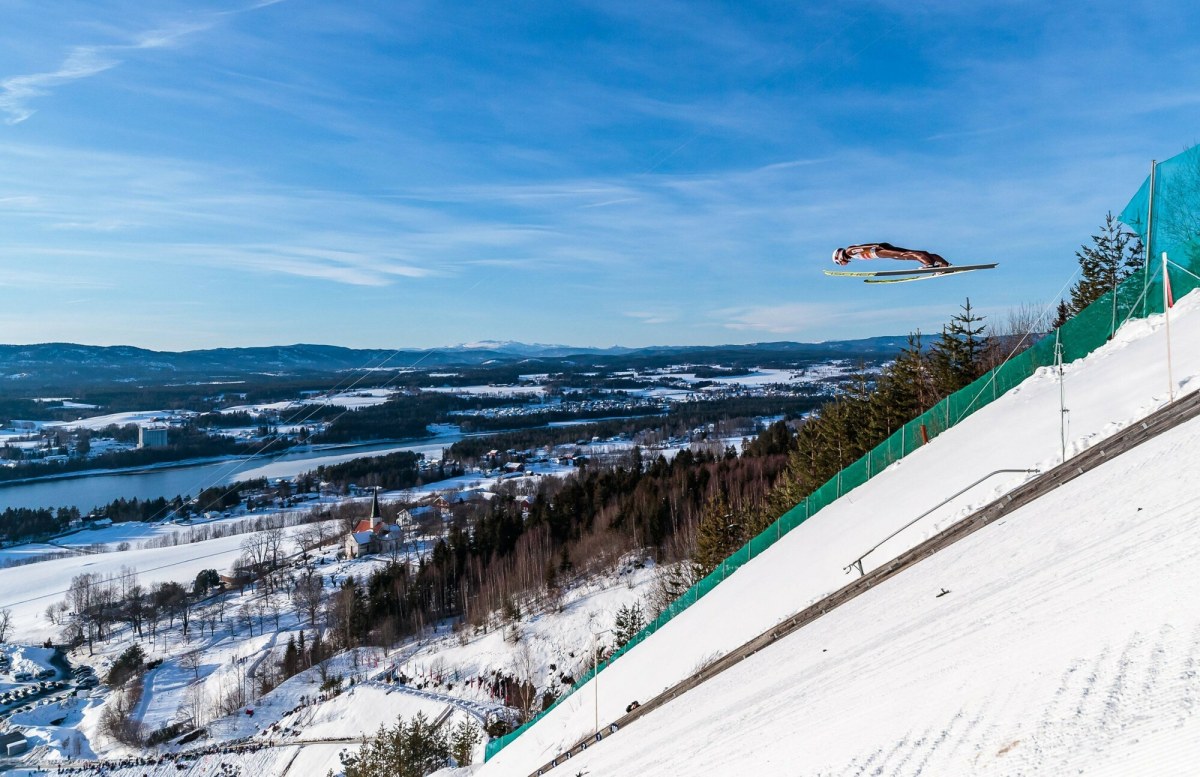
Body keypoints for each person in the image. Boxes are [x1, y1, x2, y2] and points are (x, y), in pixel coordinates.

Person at [832, 242, 951, 268]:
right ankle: (943, 265)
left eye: (839, 262)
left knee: (904, 254)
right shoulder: (851, 254)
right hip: (879, 251)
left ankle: (929, 264)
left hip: (878, 251)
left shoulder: (849, 252)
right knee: (907, 255)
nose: (842, 264)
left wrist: (878, 246)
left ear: (839, 256)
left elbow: (863, 248)